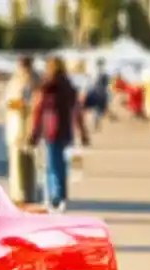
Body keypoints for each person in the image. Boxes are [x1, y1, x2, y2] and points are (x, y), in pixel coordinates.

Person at [28, 56, 89, 213]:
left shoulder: (46, 87)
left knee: (51, 164)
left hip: (50, 131)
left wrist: (34, 133)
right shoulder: (69, 87)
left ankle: (55, 197)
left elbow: (38, 111)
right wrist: (83, 132)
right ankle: (61, 194)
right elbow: (77, 111)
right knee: (61, 163)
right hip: (66, 130)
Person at [3, 56, 40, 204]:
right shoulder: (15, 80)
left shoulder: (35, 79)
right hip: (16, 123)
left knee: (29, 161)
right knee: (17, 161)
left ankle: (29, 193)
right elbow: (8, 101)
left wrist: (24, 105)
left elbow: (36, 101)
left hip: (29, 124)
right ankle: (18, 194)